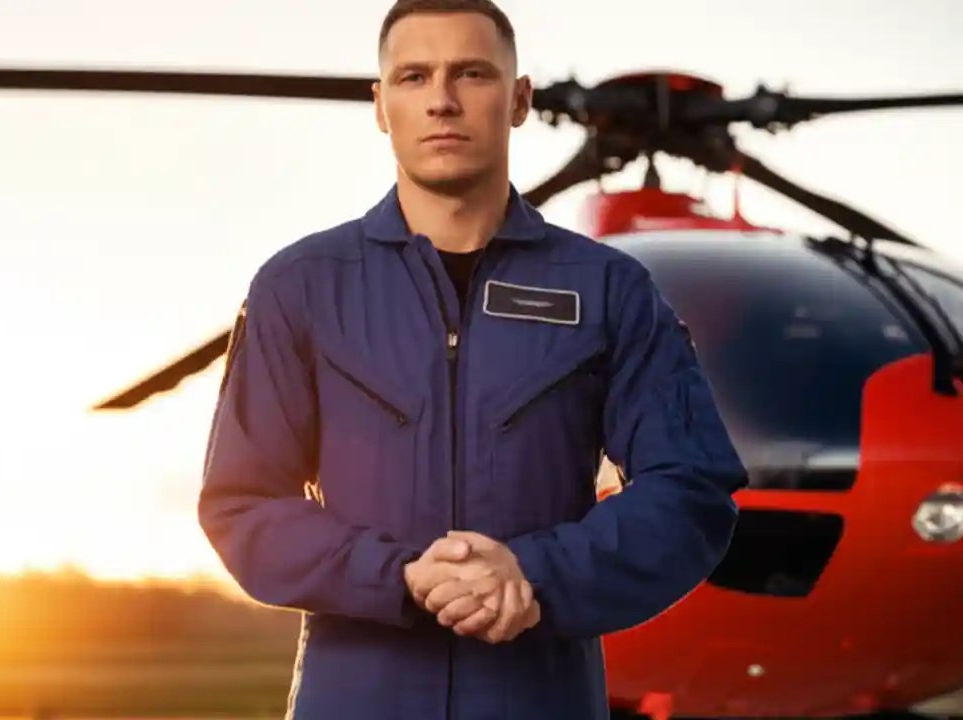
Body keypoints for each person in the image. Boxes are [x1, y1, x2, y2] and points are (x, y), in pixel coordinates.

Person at [196, 0, 748, 717]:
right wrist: (399, 577)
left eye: (472, 73)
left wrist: (534, 575)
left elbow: (692, 489)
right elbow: (242, 505)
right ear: (381, 105)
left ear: (519, 100)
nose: (442, 101)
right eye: (414, 77)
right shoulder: (300, 286)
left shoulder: (610, 290)